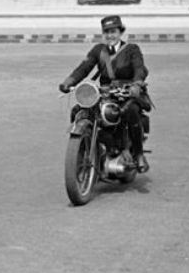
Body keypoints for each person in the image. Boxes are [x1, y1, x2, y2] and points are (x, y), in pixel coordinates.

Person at [58, 15, 152, 172]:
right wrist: (69, 82)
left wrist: (136, 84)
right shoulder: (98, 50)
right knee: (79, 110)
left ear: (120, 32)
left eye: (113, 31)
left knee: (130, 111)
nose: (110, 35)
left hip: (128, 92)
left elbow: (139, 68)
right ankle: (82, 149)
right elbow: (84, 67)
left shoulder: (131, 49)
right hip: (105, 92)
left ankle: (139, 154)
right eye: (106, 32)